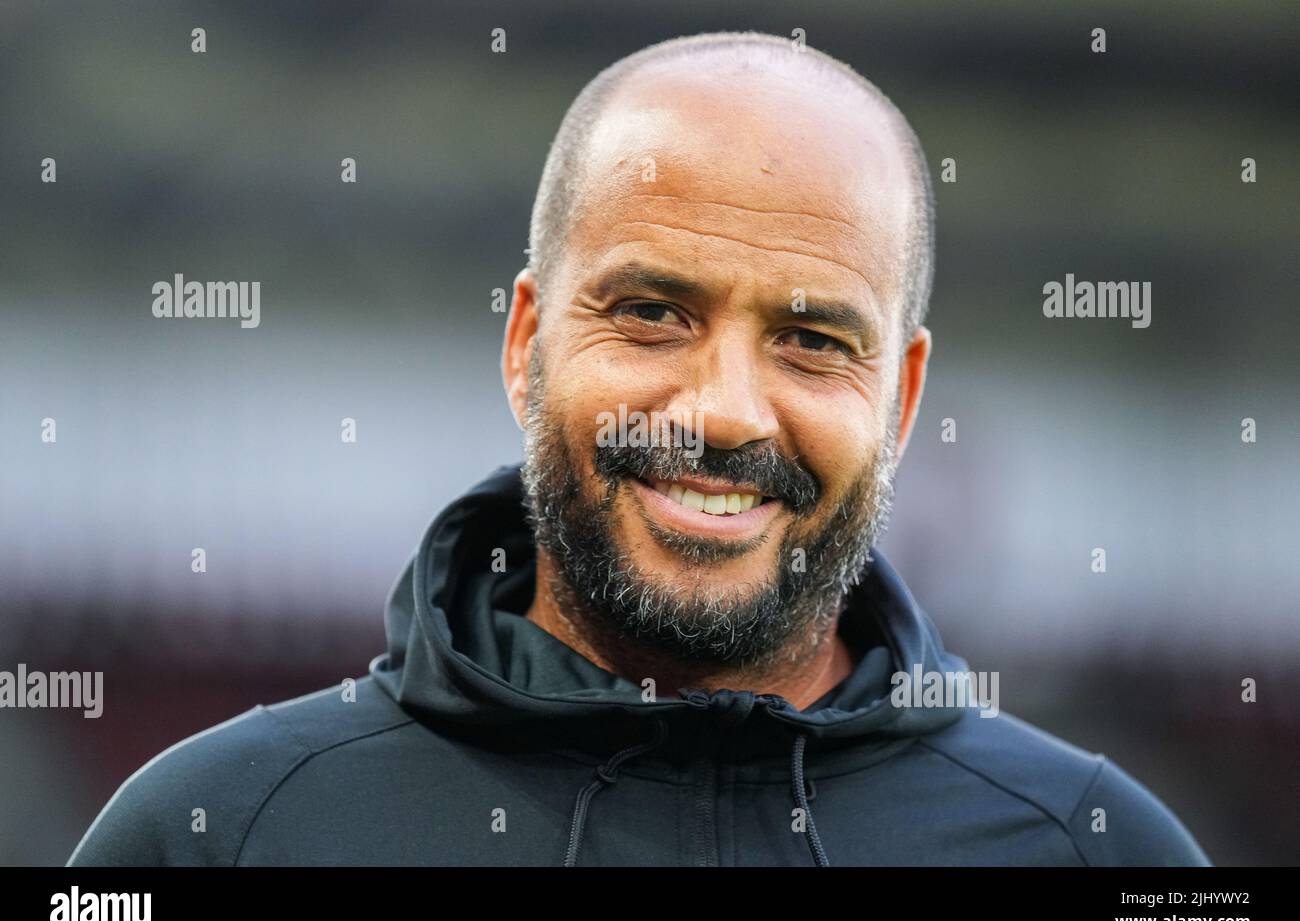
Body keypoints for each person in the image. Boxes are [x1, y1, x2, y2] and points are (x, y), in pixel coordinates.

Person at [68, 30, 1210, 866]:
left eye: (811, 339)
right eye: (652, 312)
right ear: (526, 341)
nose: (723, 412)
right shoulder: (214, 831)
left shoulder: (1107, 856)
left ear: (902, 397)